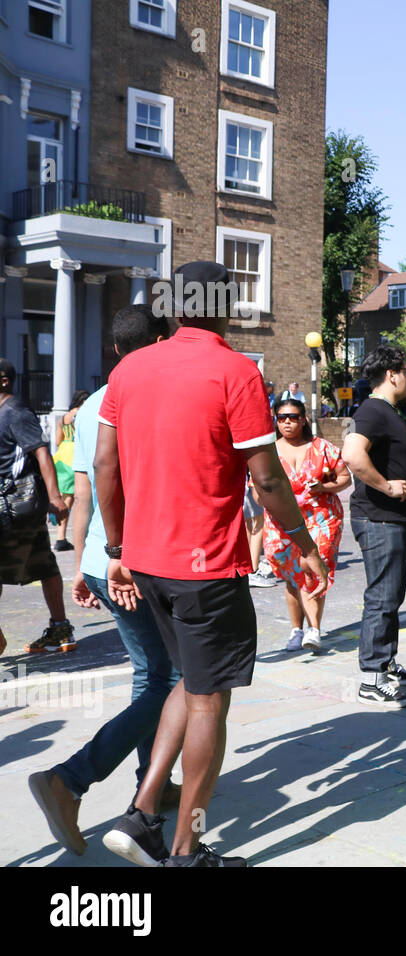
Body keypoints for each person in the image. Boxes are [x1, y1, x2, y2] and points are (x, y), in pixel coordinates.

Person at [96, 261, 328, 868]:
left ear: (173, 306)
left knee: (187, 682)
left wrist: (116, 549)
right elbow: (269, 477)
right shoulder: (235, 371)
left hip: (146, 562)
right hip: (205, 566)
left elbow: (103, 467)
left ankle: (142, 816)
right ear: (224, 306)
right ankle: (185, 850)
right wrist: (303, 544)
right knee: (210, 702)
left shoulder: (129, 369)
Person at [27, 305, 182, 856]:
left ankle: (153, 787)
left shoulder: (94, 403)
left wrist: (80, 567)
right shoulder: (146, 398)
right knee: (170, 681)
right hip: (133, 559)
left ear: (116, 350)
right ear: (162, 340)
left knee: (153, 674)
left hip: (102, 555)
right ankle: (70, 779)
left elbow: (86, 494)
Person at [342, 345, 406, 708]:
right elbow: (352, 454)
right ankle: (371, 679)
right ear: (392, 374)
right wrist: (386, 486)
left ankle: (386, 664)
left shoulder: (396, 411)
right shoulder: (374, 410)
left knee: (392, 594)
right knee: (382, 596)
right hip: (379, 517)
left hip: (397, 518)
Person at [264, 397, 351, 651]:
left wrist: (324, 486)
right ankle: (296, 630)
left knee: (312, 570)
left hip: (321, 519)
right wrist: (268, 497)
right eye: (282, 418)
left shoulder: (323, 448)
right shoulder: (268, 452)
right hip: (282, 521)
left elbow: (345, 478)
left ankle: (313, 628)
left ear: (303, 419)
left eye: (293, 417)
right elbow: (257, 489)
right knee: (292, 576)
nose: (287, 422)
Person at [0, 358, 74, 653]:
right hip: (18, 509)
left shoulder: (15, 411)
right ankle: (61, 629)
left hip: (15, 506)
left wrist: (56, 498)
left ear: (4, 380)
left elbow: (43, 453)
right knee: (44, 563)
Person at [51, 390, 91, 552]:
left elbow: (58, 439)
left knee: (64, 497)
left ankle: (61, 537)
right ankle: (62, 538)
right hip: (75, 455)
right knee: (74, 499)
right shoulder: (82, 414)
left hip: (62, 455)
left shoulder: (64, 417)